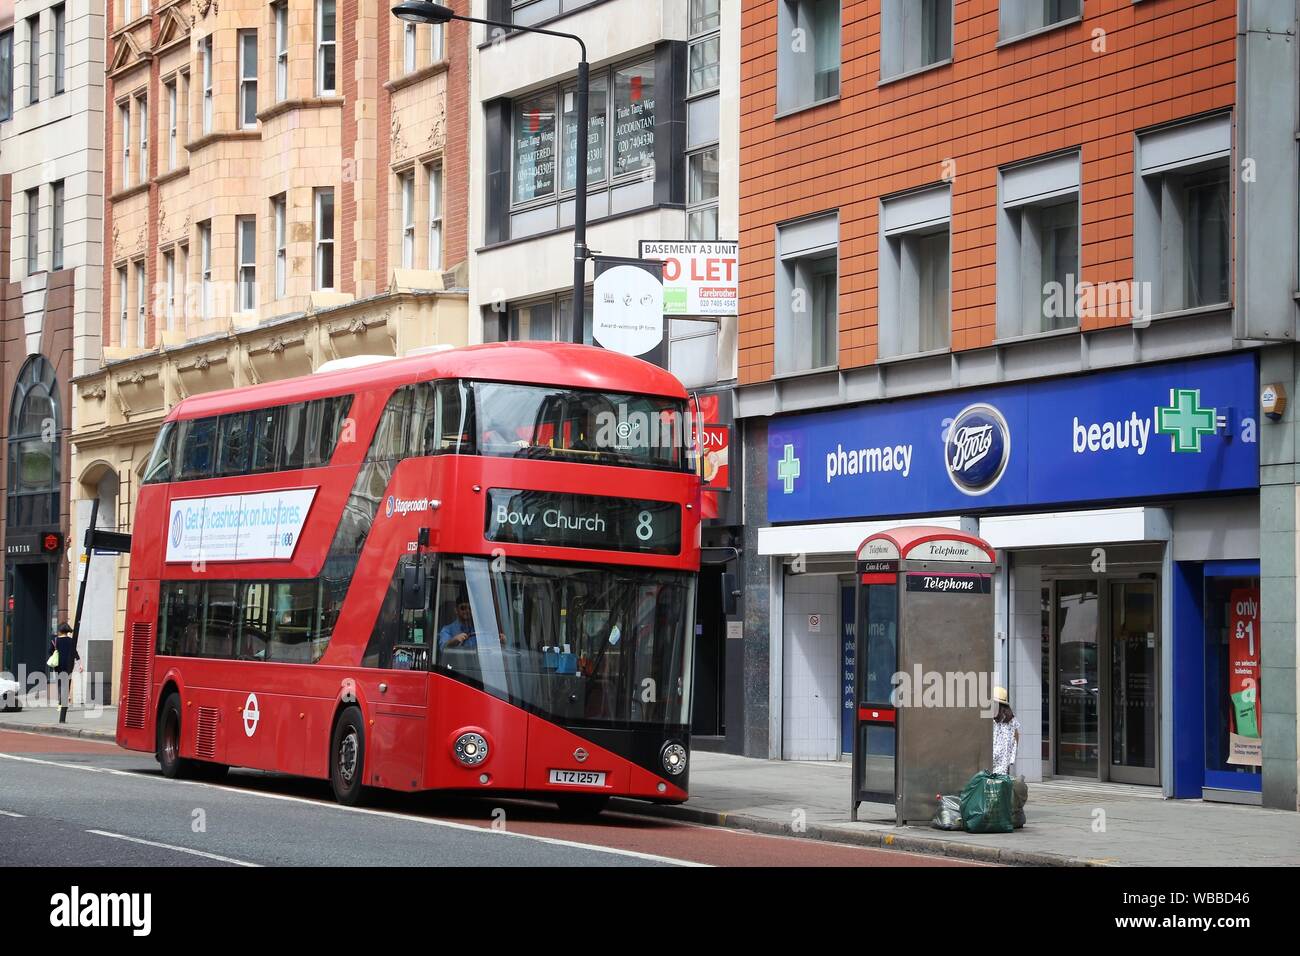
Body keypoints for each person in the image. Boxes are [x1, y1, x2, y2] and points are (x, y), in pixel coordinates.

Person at [48, 623, 81, 724]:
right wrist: (80, 664)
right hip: (69, 665)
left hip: (58, 665)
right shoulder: (71, 641)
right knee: (67, 683)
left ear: (60, 631)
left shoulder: (55, 640)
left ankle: (60, 704)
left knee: (60, 683)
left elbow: (50, 652)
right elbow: (75, 653)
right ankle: (64, 701)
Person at [991, 685, 1020, 776]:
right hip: (1004, 756)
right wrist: (1011, 752)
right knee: (1000, 781)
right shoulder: (1011, 718)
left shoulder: (992, 717)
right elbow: (1016, 736)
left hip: (992, 753)